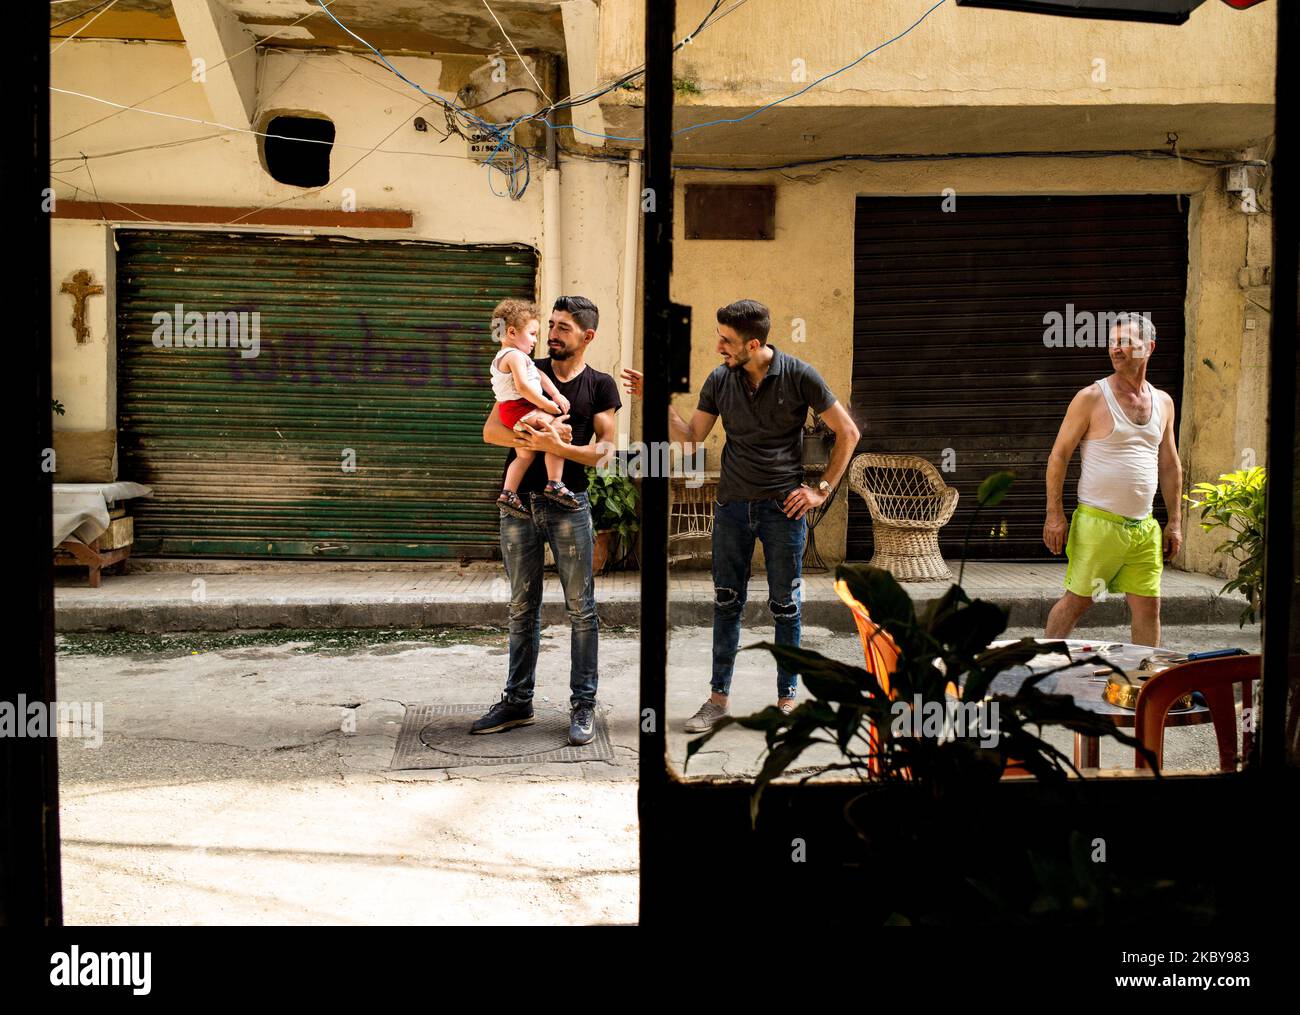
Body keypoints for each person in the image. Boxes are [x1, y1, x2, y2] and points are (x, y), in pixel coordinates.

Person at [623, 299, 861, 733]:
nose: (718, 347)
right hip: (732, 508)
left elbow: (848, 432)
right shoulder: (720, 379)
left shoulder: (800, 375)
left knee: (785, 606)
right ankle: (717, 700)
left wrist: (820, 490)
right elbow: (692, 439)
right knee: (727, 603)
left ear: (753, 343)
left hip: (782, 511)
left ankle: (788, 700)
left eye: (726, 340)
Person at [470, 296, 622, 746]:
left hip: (568, 505)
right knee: (521, 607)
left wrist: (558, 446)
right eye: (550, 325)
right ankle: (518, 701)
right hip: (519, 507)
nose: (552, 334)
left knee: (582, 610)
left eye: (563, 328)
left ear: (587, 337)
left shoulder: (600, 385)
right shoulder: (523, 368)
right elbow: (491, 431)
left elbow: (604, 452)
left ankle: (583, 704)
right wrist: (538, 433)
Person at [1043, 313, 1183, 647]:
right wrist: (1054, 513)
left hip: (1143, 529)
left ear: (1148, 347)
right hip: (1098, 523)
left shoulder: (1163, 402)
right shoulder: (1091, 396)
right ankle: (1042, 669)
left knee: (1149, 608)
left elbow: (1170, 465)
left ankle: (1143, 685)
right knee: (1078, 601)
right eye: (1112, 342)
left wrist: (1174, 522)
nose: (1115, 349)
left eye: (1125, 342)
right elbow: (1058, 456)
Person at [488, 299, 580, 518]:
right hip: (520, 408)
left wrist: (556, 393)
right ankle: (555, 483)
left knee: (524, 455)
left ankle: (508, 493)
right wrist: (544, 403)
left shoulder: (516, 357)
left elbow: (540, 375)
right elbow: (522, 385)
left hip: (512, 412)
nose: (536, 340)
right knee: (556, 435)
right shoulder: (513, 356)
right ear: (511, 332)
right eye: (531, 333)